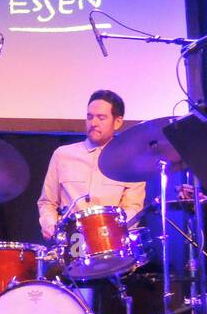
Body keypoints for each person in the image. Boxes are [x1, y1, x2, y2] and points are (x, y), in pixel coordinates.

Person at [37, 89, 145, 242]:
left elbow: (133, 208)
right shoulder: (62, 155)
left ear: (118, 122)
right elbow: (47, 202)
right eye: (89, 117)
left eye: (101, 118)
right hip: (72, 243)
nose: (93, 123)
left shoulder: (129, 161)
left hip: (111, 244)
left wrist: (107, 231)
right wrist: (49, 224)